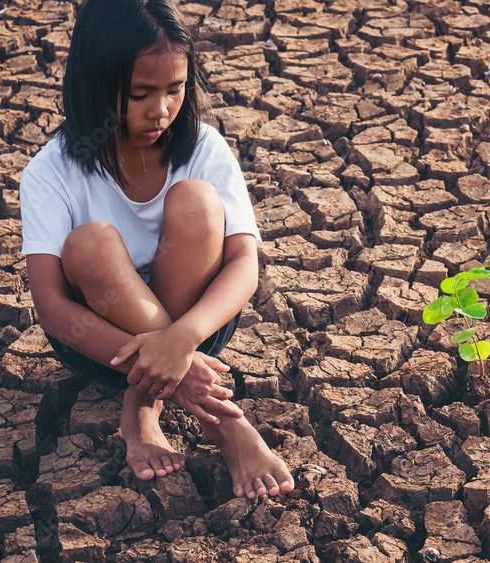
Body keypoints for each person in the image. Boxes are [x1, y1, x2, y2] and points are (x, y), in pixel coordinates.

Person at [18, 0, 294, 499]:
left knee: (196, 202)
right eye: (139, 94)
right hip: (103, 344)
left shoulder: (203, 147)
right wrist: (181, 368)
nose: (161, 110)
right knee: (90, 243)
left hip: (198, 324)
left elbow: (244, 265)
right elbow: (54, 310)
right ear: (95, 85)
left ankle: (141, 405)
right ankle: (226, 424)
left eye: (175, 89)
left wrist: (182, 341)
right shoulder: (51, 171)